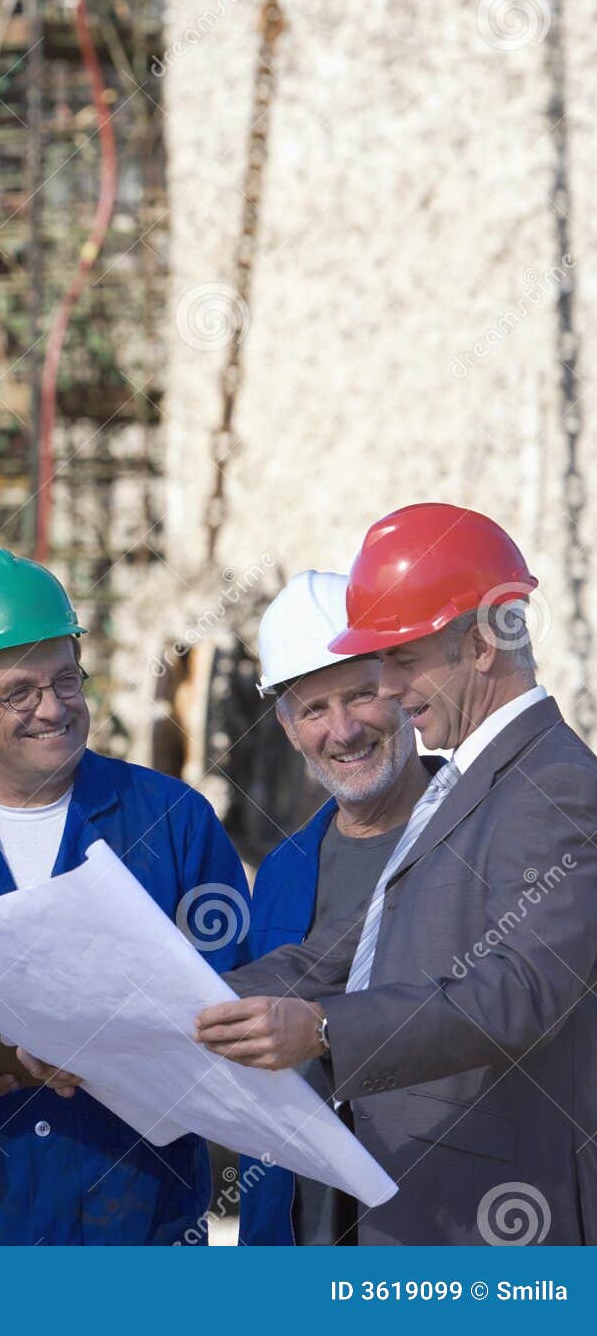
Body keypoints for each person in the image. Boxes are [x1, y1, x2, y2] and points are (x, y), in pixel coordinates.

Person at [198, 504, 597, 1246]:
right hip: (418, 1216)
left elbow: (519, 992)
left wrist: (320, 1029)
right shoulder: (471, 783)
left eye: (403, 658)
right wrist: (167, 1009)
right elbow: (354, 951)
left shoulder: (555, 784)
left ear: (479, 644)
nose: (387, 684)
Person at [0, 549, 250, 1245]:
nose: (51, 707)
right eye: (18, 692)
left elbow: (234, 999)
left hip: (138, 1215)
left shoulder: (172, 820)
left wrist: (116, 1038)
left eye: (65, 680)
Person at [238, 570, 438, 1246]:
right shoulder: (281, 873)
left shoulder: (479, 831)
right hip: (295, 1231)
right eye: (314, 709)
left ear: (405, 693)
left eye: (361, 694)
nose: (343, 730)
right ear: (288, 728)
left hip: (439, 1226)